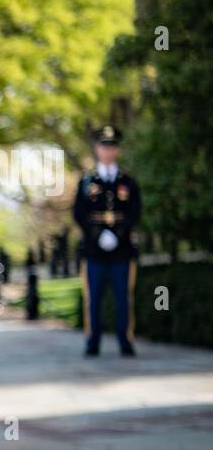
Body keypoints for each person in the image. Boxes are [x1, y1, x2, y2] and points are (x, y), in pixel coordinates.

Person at [74, 125, 141, 356]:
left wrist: (118, 234)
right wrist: (98, 235)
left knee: (124, 298)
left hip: (122, 251)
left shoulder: (128, 182)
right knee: (93, 299)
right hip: (94, 251)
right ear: (96, 149)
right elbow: (79, 214)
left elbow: (134, 212)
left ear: (117, 150)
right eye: (104, 146)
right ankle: (93, 342)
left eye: (112, 146)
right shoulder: (86, 181)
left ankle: (126, 341)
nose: (108, 150)